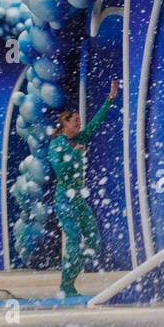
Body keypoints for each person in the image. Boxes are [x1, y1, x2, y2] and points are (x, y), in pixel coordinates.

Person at [48, 81, 118, 297]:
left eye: (79, 121)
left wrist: (109, 100)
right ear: (65, 124)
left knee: (94, 242)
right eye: (75, 121)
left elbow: (95, 123)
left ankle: (72, 273)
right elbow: (60, 170)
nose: (79, 124)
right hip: (64, 199)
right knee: (74, 243)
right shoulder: (57, 145)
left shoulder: (79, 139)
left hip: (78, 198)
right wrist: (75, 154)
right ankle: (66, 285)